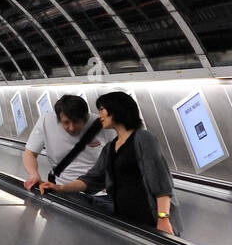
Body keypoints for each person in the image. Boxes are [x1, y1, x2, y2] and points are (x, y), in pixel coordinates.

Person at [40, 91, 179, 236]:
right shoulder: (110, 148)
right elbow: (91, 180)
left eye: (101, 110)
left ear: (116, 110)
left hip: (150, 217)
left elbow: (161, 183)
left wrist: (163, 219)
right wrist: (59, 187)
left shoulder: (143, 139)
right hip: (125, 217)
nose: (99, 116)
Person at [23, 94, 112, 192]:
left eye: (77, 122)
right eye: (66, 122)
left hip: (100, 192)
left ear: (86, 117)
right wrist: (33, 174)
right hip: (62, 189)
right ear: (58, 119)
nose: (72, 128)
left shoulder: (103, 125)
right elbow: (30, 153)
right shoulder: (46, 121)